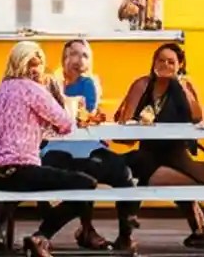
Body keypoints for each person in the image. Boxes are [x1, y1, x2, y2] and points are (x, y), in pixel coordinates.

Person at [0, 41, 96, 257]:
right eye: (36, 64)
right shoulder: (32, 88)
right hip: (18, 171)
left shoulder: (2, 88)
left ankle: (6, 234)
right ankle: (41, 235)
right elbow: (65, 124)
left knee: (52, 178)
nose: (36, 69)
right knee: (86, 184)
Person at [114, 42, 204, 249]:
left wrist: (180, 84)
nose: (165, 65)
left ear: (180, 65)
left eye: (171, 62)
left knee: (140, 178)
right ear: (153, 62)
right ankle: (199, 229)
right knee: (135, 165)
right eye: (161, 60)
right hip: (149, 152)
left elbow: (197, 117)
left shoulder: (184, 86)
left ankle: (125, 233)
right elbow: (125, 122)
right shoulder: (142, 84)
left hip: (176, 154)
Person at [39, 39, 139, 251]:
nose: (79, 60)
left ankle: (125, 232)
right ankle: (80, 230)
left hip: (87, 145)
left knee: (122, 173)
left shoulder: (88, 83)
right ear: (64, 59)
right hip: (56, 147)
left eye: (85, 55)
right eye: (74, 54)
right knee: (78, 179)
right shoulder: (50, 82)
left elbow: (86, 113)